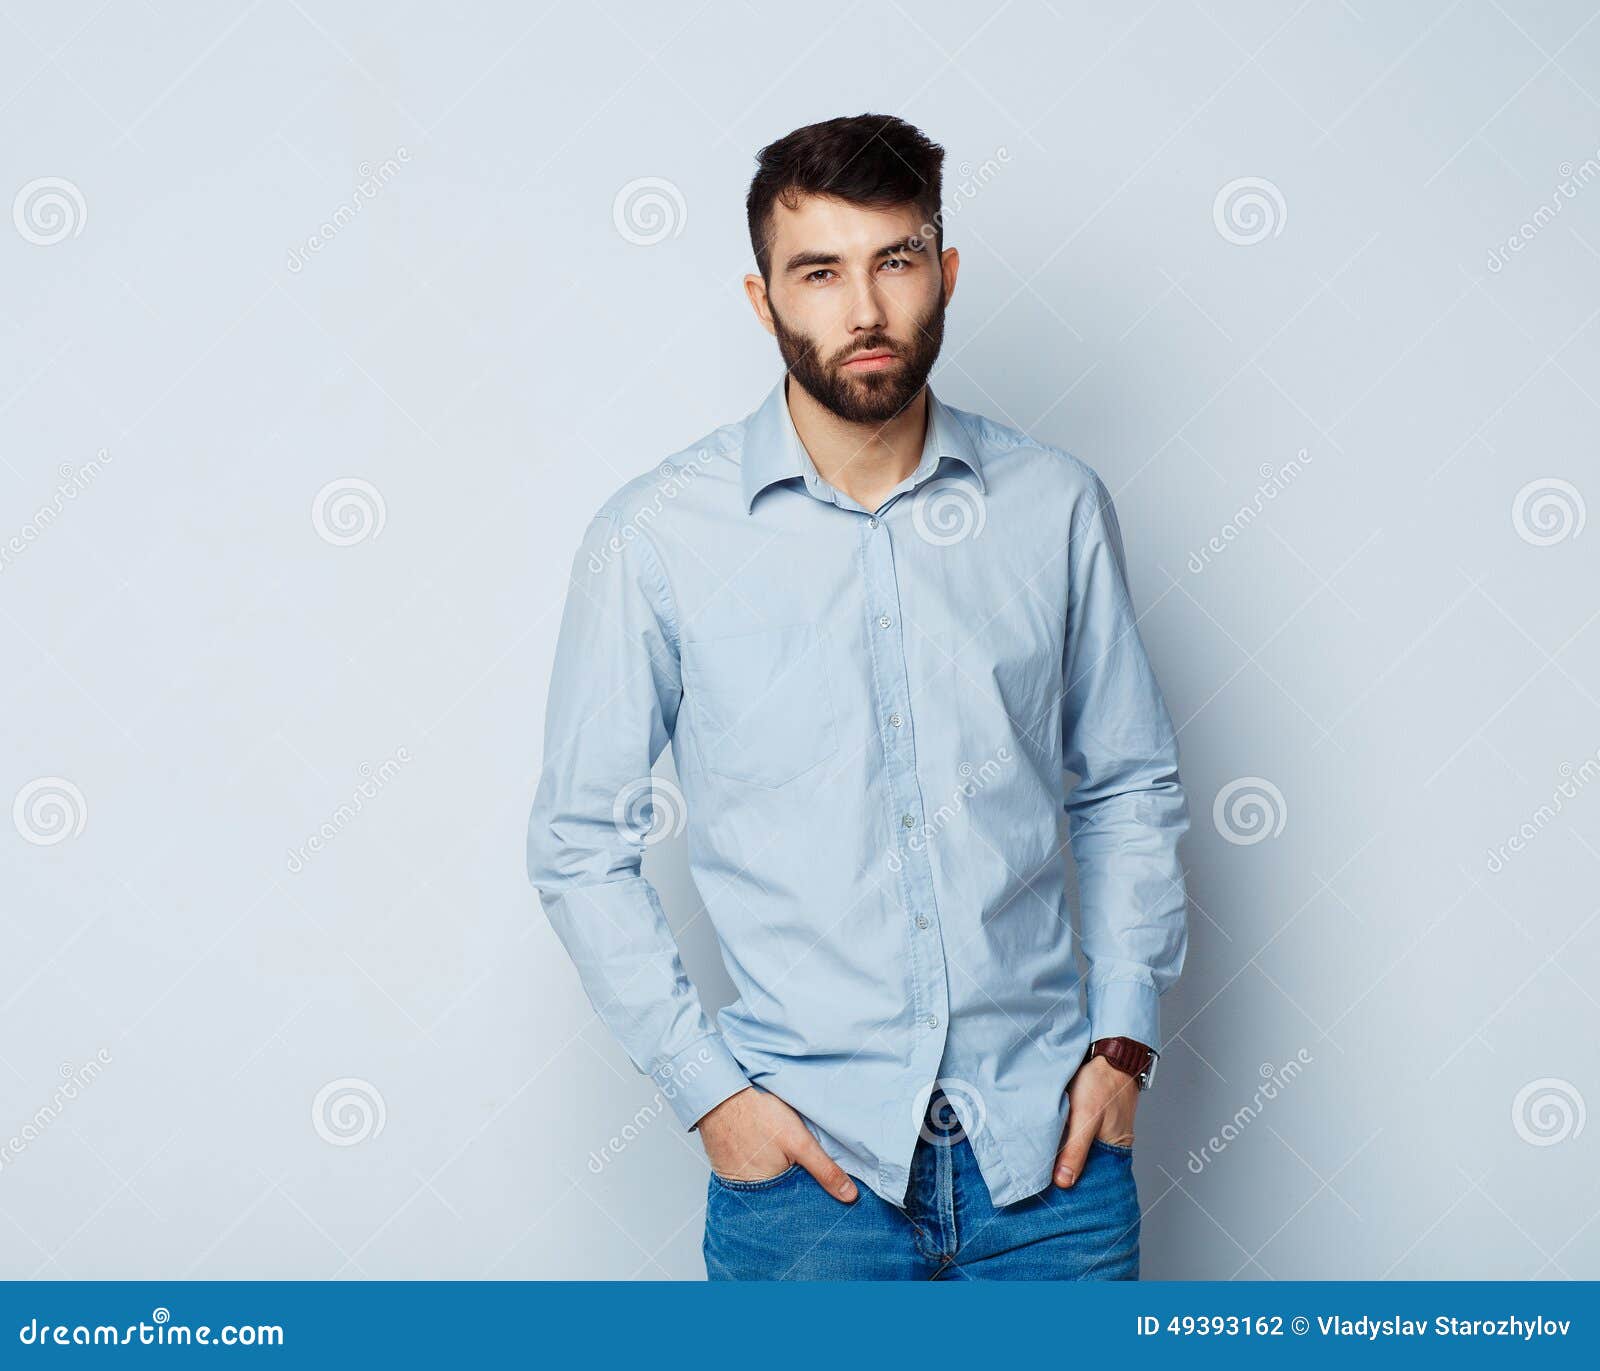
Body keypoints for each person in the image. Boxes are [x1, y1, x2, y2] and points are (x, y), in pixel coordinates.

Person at [526, 113, 1189, 1280]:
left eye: (895, 259)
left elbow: (1127, 787)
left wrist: (1123, 1043)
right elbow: (579, 844)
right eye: (819, 272)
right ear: (762, 299)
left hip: (1052, 1170)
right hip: (805, 1189)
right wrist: (708, 1093)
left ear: (945, 272)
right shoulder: (656, 538)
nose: (866, 309)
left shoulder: (1055, 507)